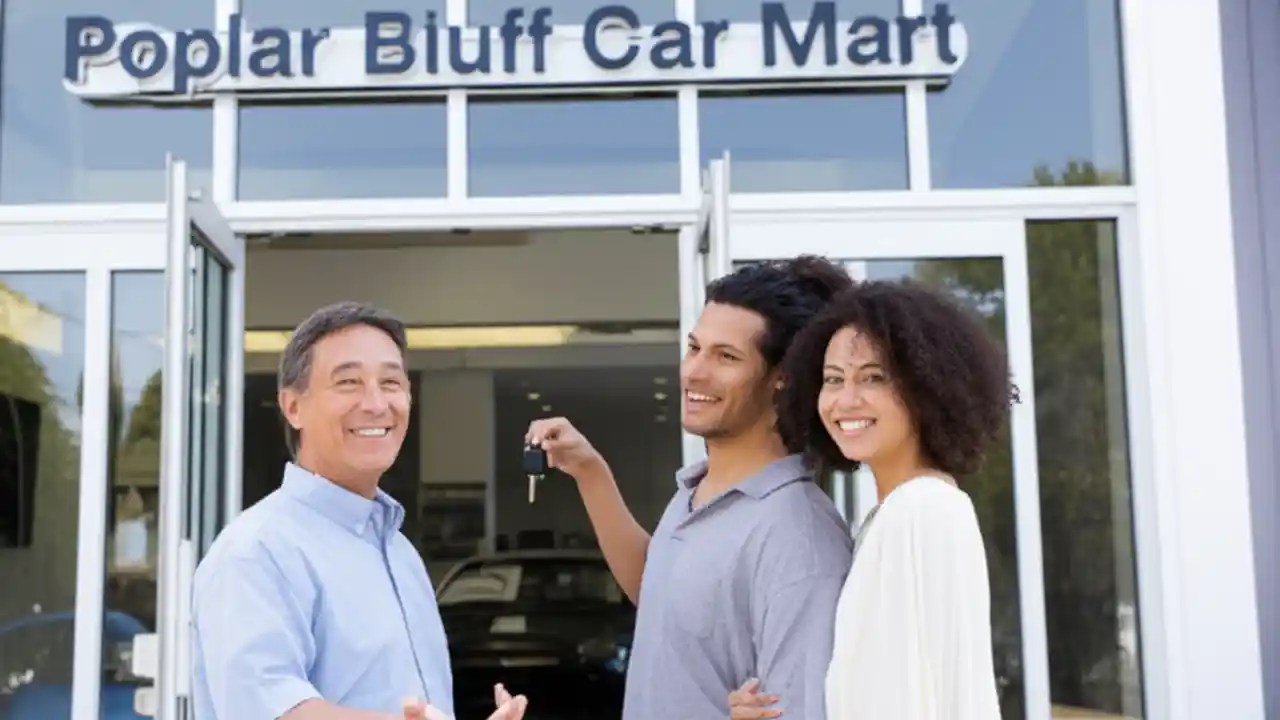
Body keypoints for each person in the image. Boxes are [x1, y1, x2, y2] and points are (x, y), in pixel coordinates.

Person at [526, 257, 856, 720]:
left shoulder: (799, 538)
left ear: (783, 377)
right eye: (694, 348)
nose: (694, 373)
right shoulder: (697, 489)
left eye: (726, 357)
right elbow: (661, 591)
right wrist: (590, 473)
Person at [191, 301, 527, 720]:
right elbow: (268, 712)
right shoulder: (257, 551)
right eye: (348, 382)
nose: (375, 403)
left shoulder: (400, 554)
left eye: (390, 382)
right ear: (293, 406)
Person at [728, 279, 1009, 719]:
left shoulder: (918, 512)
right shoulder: (900, 513)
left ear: (927, 386)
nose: (846, 400)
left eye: (873, 378)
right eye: (833, 379)